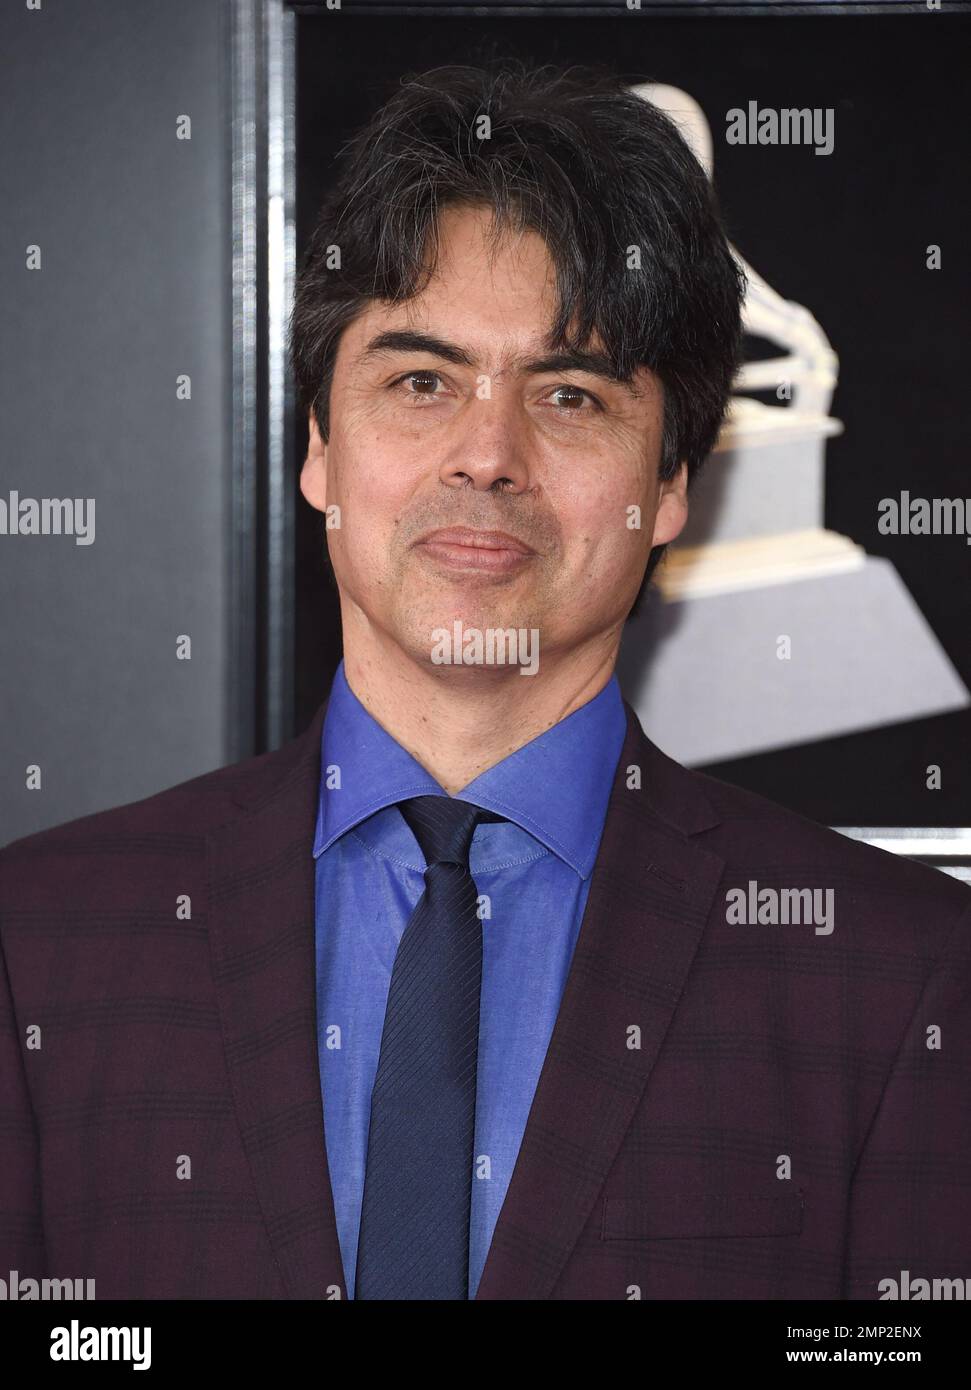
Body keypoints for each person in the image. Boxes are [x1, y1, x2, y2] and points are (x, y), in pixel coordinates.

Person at [1, 62, 968, 1302]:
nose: (487, 456)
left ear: (670, 483)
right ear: (317, 448)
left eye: (569, 394)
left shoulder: (892, 982)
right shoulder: (45, 943)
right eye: (420, 381)